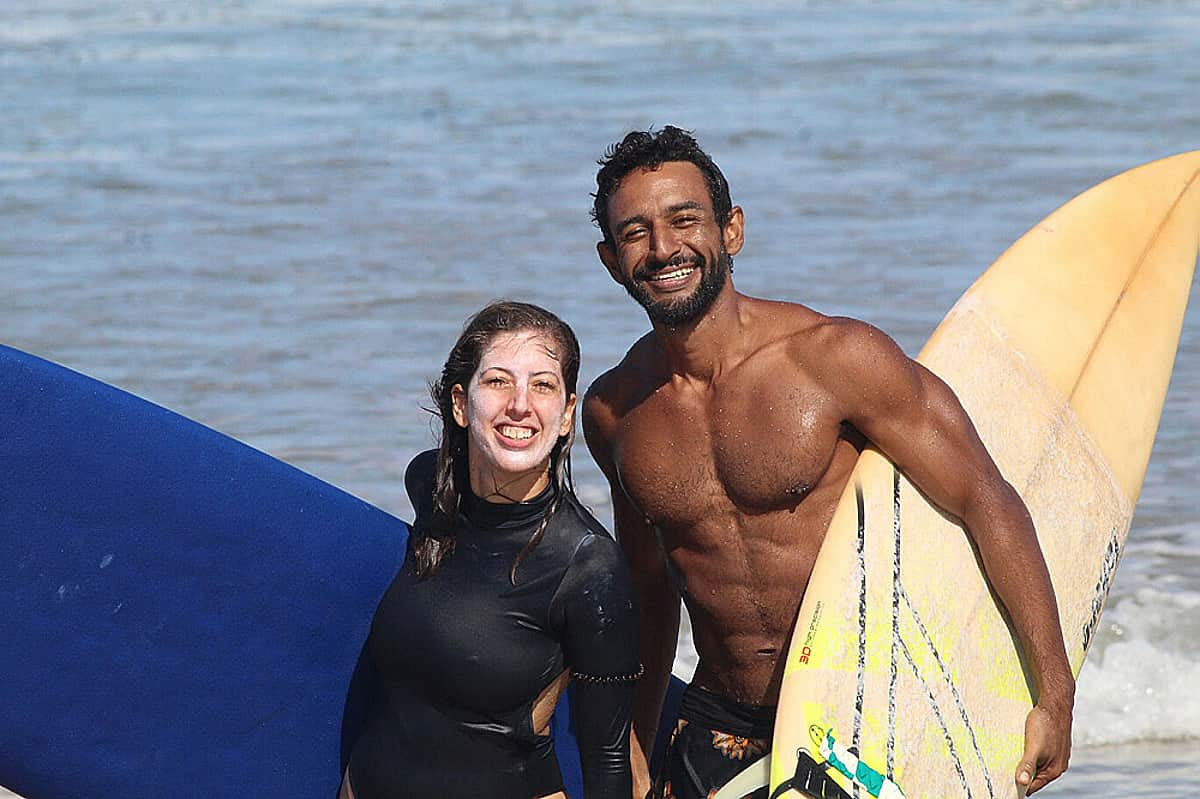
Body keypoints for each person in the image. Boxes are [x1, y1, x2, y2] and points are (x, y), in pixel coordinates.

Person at [581, 127, 1075, 799]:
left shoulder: (837, 359)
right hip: (717, 724)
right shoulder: (615, 410)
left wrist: (1054, 689)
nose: (664, 247)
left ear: (732, 230)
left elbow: (983, 497)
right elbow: (650, 586)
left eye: (684, 219)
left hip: (864, 723)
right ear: (612, 260)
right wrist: (637, 743)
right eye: (636, 232)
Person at [343, 301, 642, 799]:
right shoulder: (430, 490)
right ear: (461, 404)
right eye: (498, 381)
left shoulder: (589, 568)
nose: (520, 404)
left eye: (543, 385)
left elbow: (608, 762)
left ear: (567, 414)